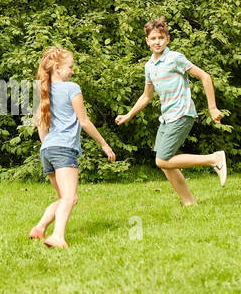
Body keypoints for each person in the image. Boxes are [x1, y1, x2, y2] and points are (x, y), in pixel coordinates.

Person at [115, 17, 226, 205]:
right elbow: (146, 96)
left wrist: (212, 108)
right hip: (166, 118)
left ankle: (213, 159)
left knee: (162, 160)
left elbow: (205, 77)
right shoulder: (149, 66)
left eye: (160, 37)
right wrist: (128, 115)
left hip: (182, 113)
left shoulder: (175, 58)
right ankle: (189, 202)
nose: (157, 42)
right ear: (147, 41)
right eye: (153, 38)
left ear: (167, 39)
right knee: (167, 165)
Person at [27, 47, 117, 248]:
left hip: (47, 150)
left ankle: (40, 228)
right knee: (69, 197)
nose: (73, 71)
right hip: (64, 149)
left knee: (65, 198)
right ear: (57, 68)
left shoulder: (41, 89)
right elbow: (84, 122)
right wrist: (104, 144)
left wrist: (49, 146)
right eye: (70, 67)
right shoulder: (72, 88)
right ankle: (58, 236)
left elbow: (42, 128)